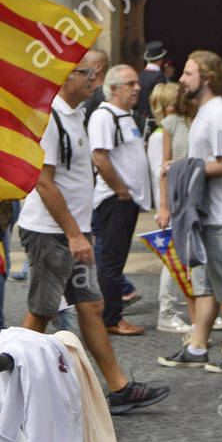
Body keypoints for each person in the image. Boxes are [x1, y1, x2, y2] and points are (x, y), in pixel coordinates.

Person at [18, 50, 169, 414]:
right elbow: (44, 182)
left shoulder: (75, 115)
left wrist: (82, 231)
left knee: (92, 304)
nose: (94, 80)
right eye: (87, 73)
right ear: (64, 77)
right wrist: (74, 234)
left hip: (73, 232)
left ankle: (118, 388)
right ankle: (8, 387)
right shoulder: (51, 118)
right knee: (41, 311)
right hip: (50, 233)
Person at [158, 50, 222, 373]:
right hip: (208, 215)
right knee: (205, 285)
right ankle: (198, 346)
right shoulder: (204, 111)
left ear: (207, 78)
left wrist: (182, 168)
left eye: (188, 74)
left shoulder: (221, 114)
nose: (181, 79)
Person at [90, 64, 151, 336]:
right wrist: (121, 190)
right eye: (130, 83)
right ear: (113, 88)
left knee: (115, 259)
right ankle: (111, 318)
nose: (137, 88)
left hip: (127, 200)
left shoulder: (127, 116)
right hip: (115, 200)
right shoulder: (104, 116)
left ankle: (111, 313)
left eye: (137, 83)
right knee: (111, 260)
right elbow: (99, 157)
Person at [147, 84, 189, 333]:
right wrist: (164, 206)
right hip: (175, 202)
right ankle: (167, 310)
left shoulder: (178, 124)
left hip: (182, 200)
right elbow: (161, 172)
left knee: (185, 257)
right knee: (173, 258)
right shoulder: (162, 133)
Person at [138, 41, 168, 126]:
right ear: (161, 59)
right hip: (155, 120)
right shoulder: (159, 77)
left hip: (141, 120)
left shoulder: (140, 75)